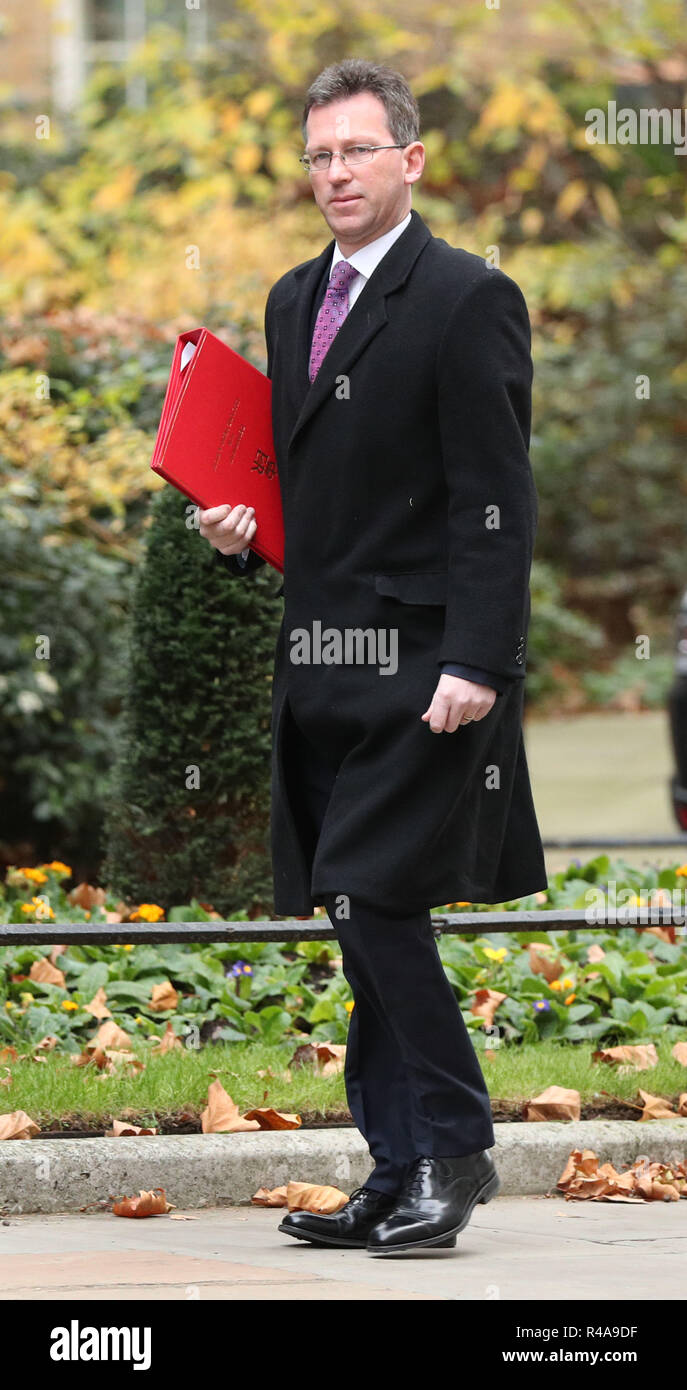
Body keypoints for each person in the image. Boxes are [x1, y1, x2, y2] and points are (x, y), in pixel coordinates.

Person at [199, 58, 547, 1256]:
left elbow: (498, 500)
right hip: (322, 659)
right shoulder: (294, 300)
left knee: (374, 897)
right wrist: (242, 531)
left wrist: (481, 663)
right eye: (319, 155)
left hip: (429, 670)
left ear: (410, 160)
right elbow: (311, 489)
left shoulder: (467, 297)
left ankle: (454, 1150)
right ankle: (397, 1168)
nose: (335, 172)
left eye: (357, 150)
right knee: (359, 911)